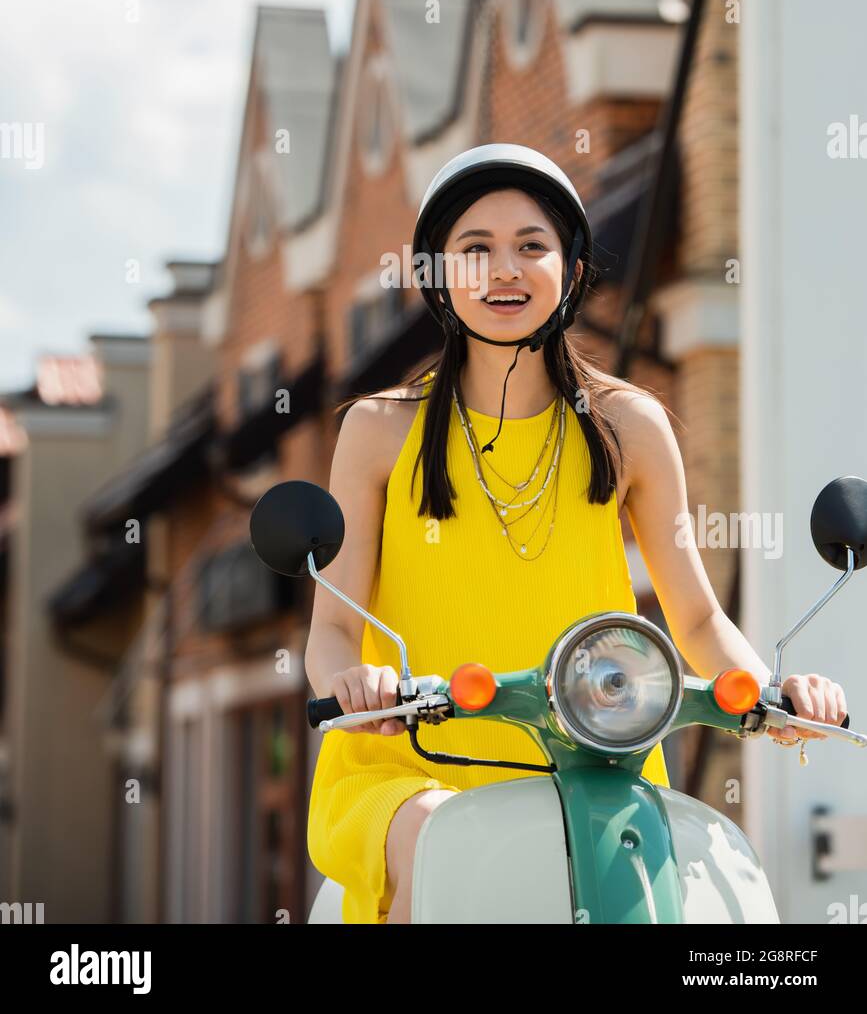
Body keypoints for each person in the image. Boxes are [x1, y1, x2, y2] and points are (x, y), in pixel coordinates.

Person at [304, 143, 847, 924]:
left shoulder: (629, 424)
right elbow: (332, 626)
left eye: (531, 246)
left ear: (572, 268)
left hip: (593, 766)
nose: (504, 271)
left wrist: (774, 695)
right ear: (436, 274)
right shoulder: (379, 430)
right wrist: (355, 688)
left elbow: (692, 617)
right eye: (474, 250)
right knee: (436, 834)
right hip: (411, 762)